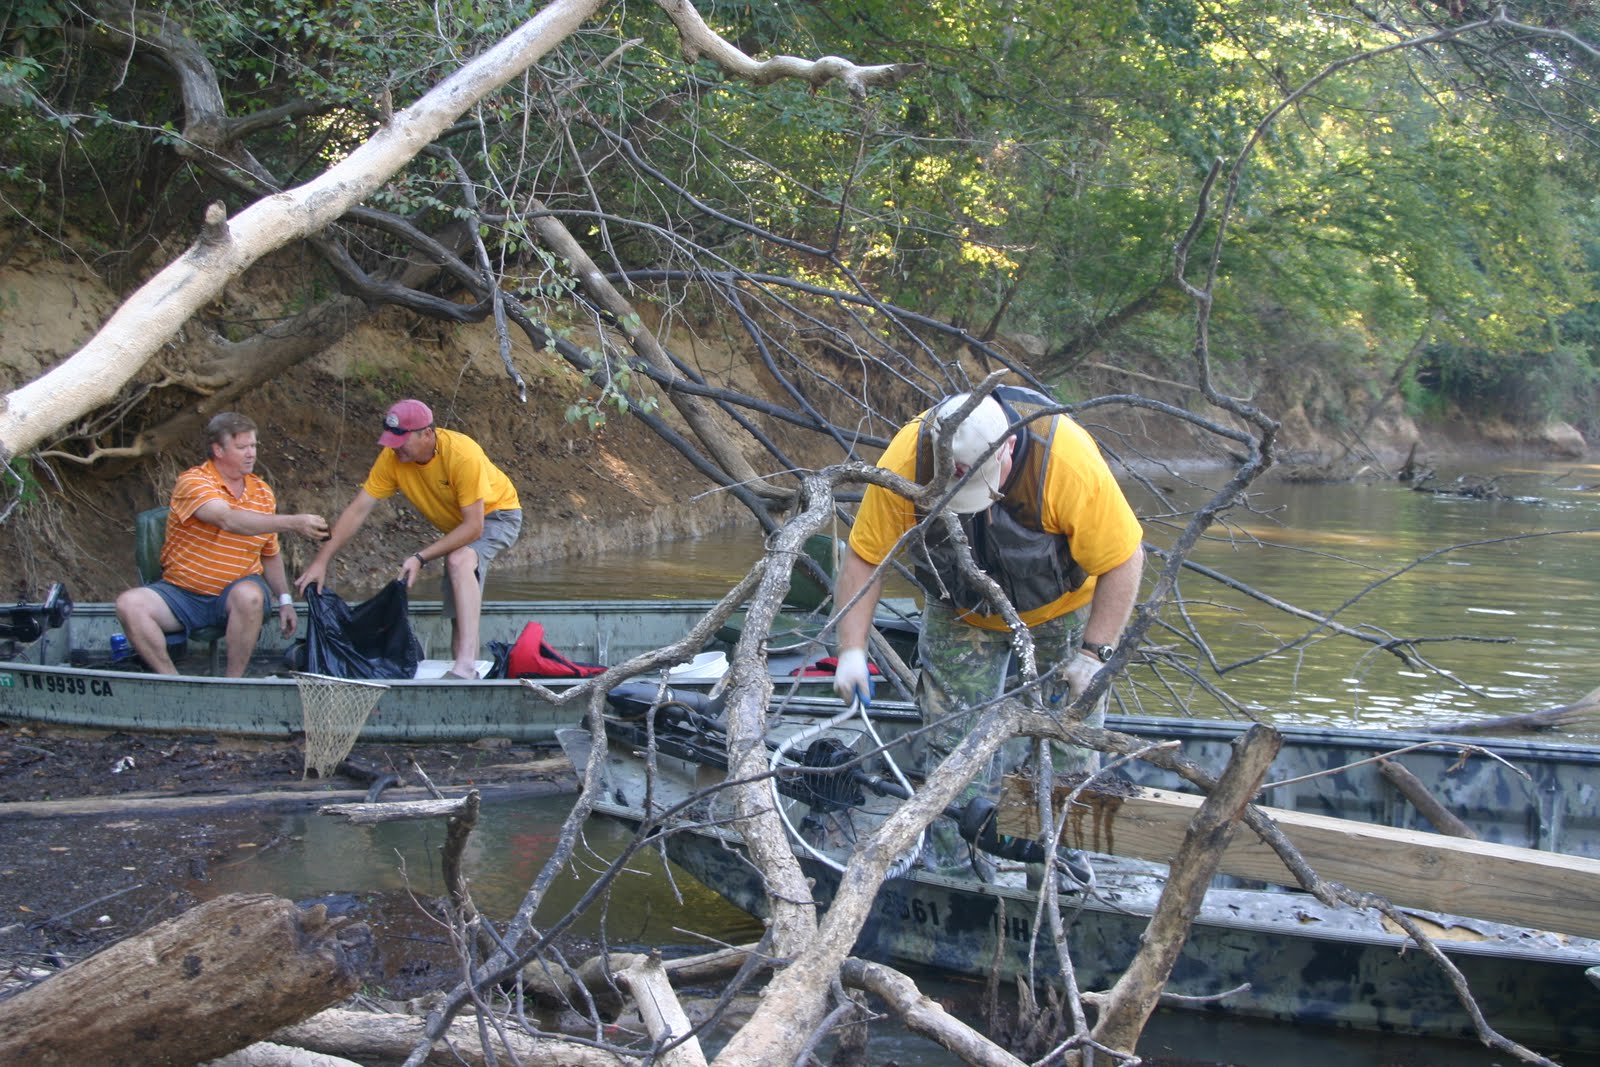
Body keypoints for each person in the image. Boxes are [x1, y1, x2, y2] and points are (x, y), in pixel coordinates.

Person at [830, 385, 1144, 879]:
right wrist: (850, 649)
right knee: (951, 742)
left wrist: (1094, 653)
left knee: (1067, 744)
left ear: (1010, 448)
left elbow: (1124, 559)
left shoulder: (1064, 457)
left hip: (1062, 612)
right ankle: (953, 867)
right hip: (962, 613)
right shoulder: (906, 459)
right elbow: (867, 556)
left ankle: (1055, 867)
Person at [295, 399, 522, 679]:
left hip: (498, 515)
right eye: (391, 440)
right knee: (459, 616)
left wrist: (420, 557)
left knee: (459, 559)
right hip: (459, 526)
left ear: (427, 434)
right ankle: (466, 677)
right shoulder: (392, 459)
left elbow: (474, 527)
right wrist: (321, 561)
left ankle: (464, 667)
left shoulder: (462, 455)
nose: (394, 447)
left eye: (401, 440)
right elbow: (357, 510)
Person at [115, 412, 330, 677]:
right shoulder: (193, 481)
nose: (251, 453)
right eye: (242, 447)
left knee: (249, 595)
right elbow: (226, 519)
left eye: (253, 446)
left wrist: (285, 600)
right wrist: (294, 523)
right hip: (182, 593)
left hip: (236, 594)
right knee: (129, 604)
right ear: (218, 449)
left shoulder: (262, 491)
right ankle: (171, 681)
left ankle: (232, 684)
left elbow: (270, 554)